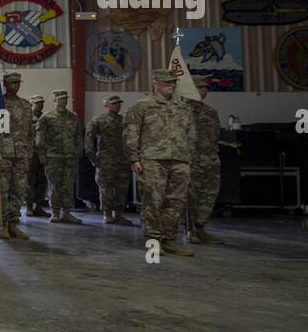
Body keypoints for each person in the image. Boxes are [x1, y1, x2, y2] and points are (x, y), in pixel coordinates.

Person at [123, 68, 196, 257]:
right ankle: (154, 241)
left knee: (176, 201)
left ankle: (169, 239)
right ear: (155, 83)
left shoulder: (183, 107)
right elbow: (131, 133)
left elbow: (191, 134)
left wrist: (189, 158)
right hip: (152, 159)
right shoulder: (143, 106)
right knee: (153, 201)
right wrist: (134, 158)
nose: (171, 85)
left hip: (179, 159)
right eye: (167, 82)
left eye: (173, 82)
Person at [35, 89, 83, 224]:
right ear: (55, 100)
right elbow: (40, 138)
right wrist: (42, 154)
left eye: (65, 98)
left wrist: (79, 150)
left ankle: (67, 212)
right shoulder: (46, 117)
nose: (64, 101)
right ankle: (55, 212)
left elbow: (78, 135)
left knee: (68, 185)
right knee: (55, 185)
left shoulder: (73, 116)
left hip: (70, 156)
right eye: (61, 99)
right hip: (53, 156)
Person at [85, 95, 133, 225]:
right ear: (106, 105)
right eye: (113, 104)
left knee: (122, 188)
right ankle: (107, 214)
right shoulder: (98, 120)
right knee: (106, 188)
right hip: (106, 160)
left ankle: (118, 214)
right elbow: (89, 139)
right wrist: (93, 158)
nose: (117, 106)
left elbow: (131, 139)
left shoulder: (124, 121)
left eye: (118, 103)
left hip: (123, 160)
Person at [188, 75, 224, 244]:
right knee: (190, 196)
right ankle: (189, 230)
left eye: (205, 88)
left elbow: (216, 135)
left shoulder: (211, 112)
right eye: (199, 87)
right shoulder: (181, 110)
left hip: (210, 160)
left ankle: (201, 228)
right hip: (191, 160)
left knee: (208, 195)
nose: (203, 90)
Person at [0, 72, 34, 238]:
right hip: (4, 153)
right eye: (13, 83)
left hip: (22, 154)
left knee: (18, 190)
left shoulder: (26, 105)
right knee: (3, 191)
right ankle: (3, 224)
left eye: (18, 83)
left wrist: (29, 152)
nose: (16, 86)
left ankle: (14, 223)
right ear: (5, 84)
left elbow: (30, 132)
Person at [26, 95, 49, 216]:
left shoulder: (46, 118)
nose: (40, 105)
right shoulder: (26, 118)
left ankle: (39, 206)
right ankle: (29, 207)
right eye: (37, 103)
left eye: (41, 103)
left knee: (42, 181)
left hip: (43, 154)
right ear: (31, 104)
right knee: (30, 181)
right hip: (31, 154)